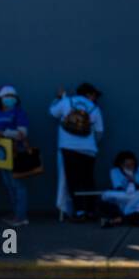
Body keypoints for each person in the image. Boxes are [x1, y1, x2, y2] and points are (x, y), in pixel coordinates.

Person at [50, 83, 104, 221]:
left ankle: (79, 211)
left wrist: (58, 98)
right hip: (89, 150)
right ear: (88, 94)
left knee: (73, 180)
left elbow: (52, 112)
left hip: (67, 148)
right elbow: (99, 132)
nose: (95, 98)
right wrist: (90, 143)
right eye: (94, 95)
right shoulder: (94, 108)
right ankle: (91, 210)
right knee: (88, 180)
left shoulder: (66, 101)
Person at [0, 85, 31, 226]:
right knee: (8, 184)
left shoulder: (19, 113)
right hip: (0, 154)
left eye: (12, 96)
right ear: (0, 99)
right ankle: (15, 213)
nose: (9, 99)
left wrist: (3, 133)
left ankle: (21, 216)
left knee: (18, 184)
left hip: (15, 152)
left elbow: (22, 132)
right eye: (6, 96)